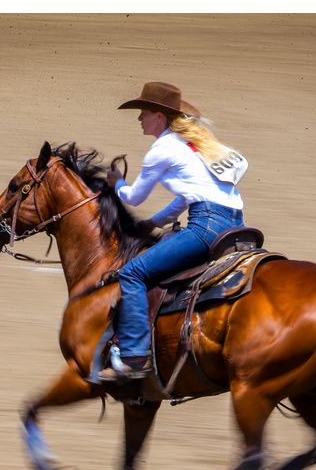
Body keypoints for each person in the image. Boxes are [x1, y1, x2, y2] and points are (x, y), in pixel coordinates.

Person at [98, 81, 250, 383]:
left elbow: (132, 198)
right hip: (237, 226)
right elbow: (186, 196)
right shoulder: (196, 146)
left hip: (205, 226)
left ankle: (134, 356)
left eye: (143, 112)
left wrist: (116, 182)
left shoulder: (162, 149)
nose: (139, 118)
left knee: (132, 274)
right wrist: (154, 223)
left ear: (158, 116)